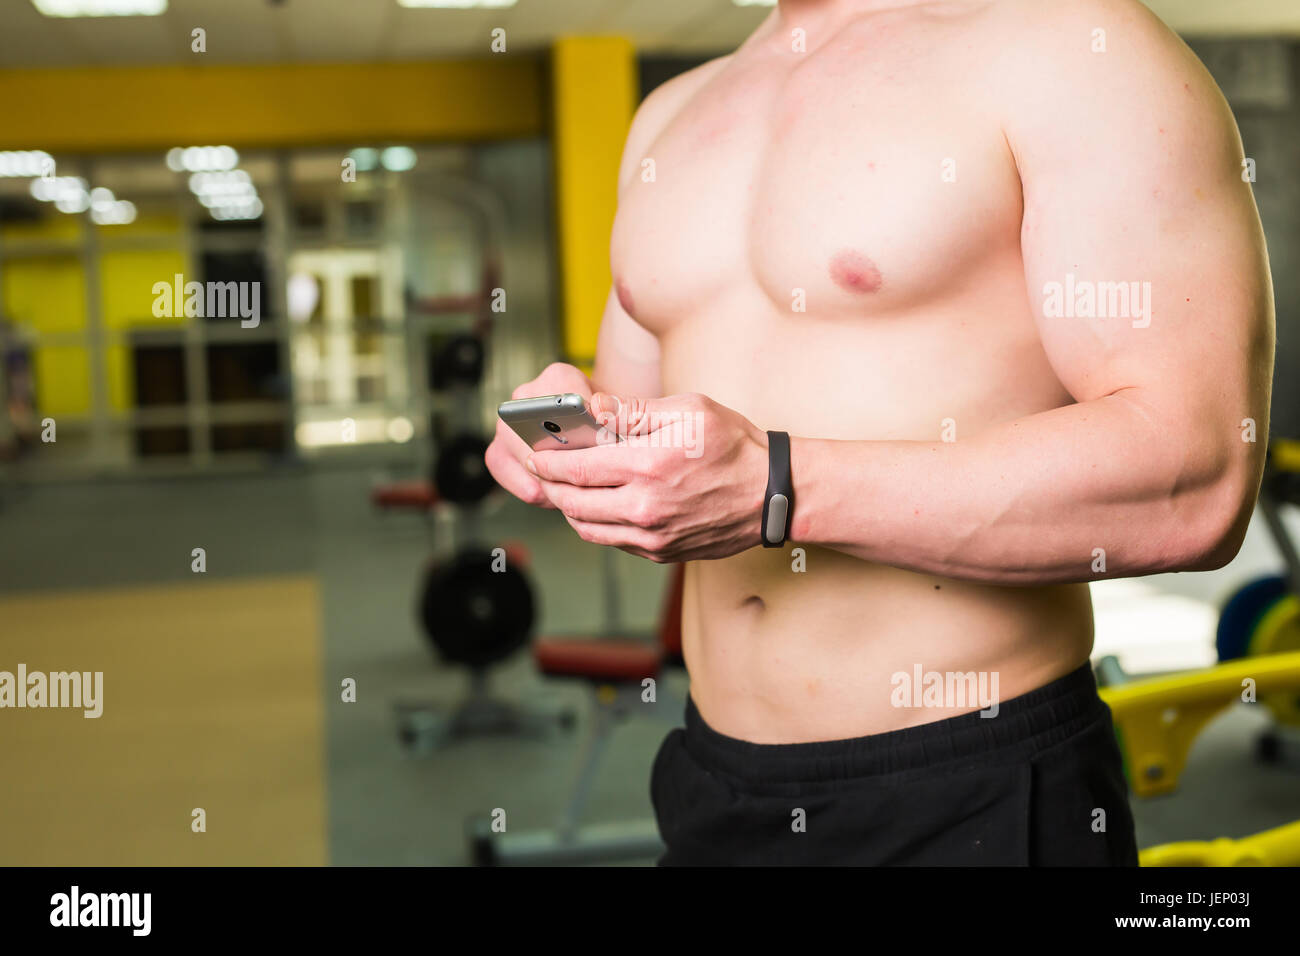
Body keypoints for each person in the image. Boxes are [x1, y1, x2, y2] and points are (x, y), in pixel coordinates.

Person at [485, 0, 1274, 865]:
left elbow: (1194, 474)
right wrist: (566, 430)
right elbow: (642, 427)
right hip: (711, 783)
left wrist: (779, 488)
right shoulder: (670, 115)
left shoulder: (1073, 46)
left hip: (967, 784)